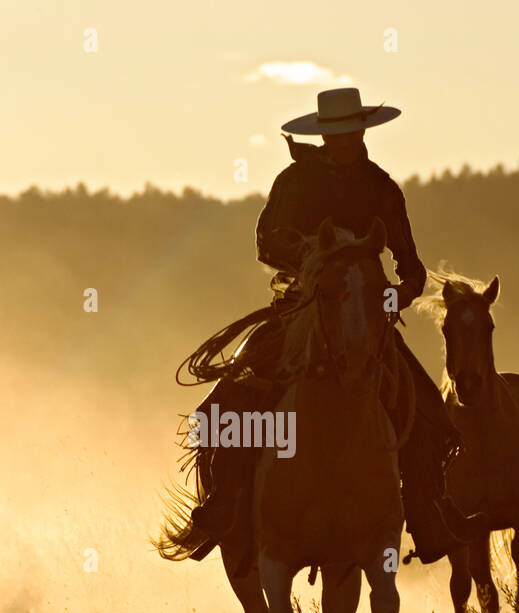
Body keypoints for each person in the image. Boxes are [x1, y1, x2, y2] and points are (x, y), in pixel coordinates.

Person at [182, 88, 463, 564]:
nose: (346, 140)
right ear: (326, 135)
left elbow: (411, 269)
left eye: (351, 131)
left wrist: (392, 298)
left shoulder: (382, 188)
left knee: (431, 414)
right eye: (337, 133)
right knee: (224, 408)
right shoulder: (294, 182)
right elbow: (265, 242)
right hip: (299, 308)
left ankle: (425, 512)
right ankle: (223, 503)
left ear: (361, 132)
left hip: (367, 317)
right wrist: (310, 256)